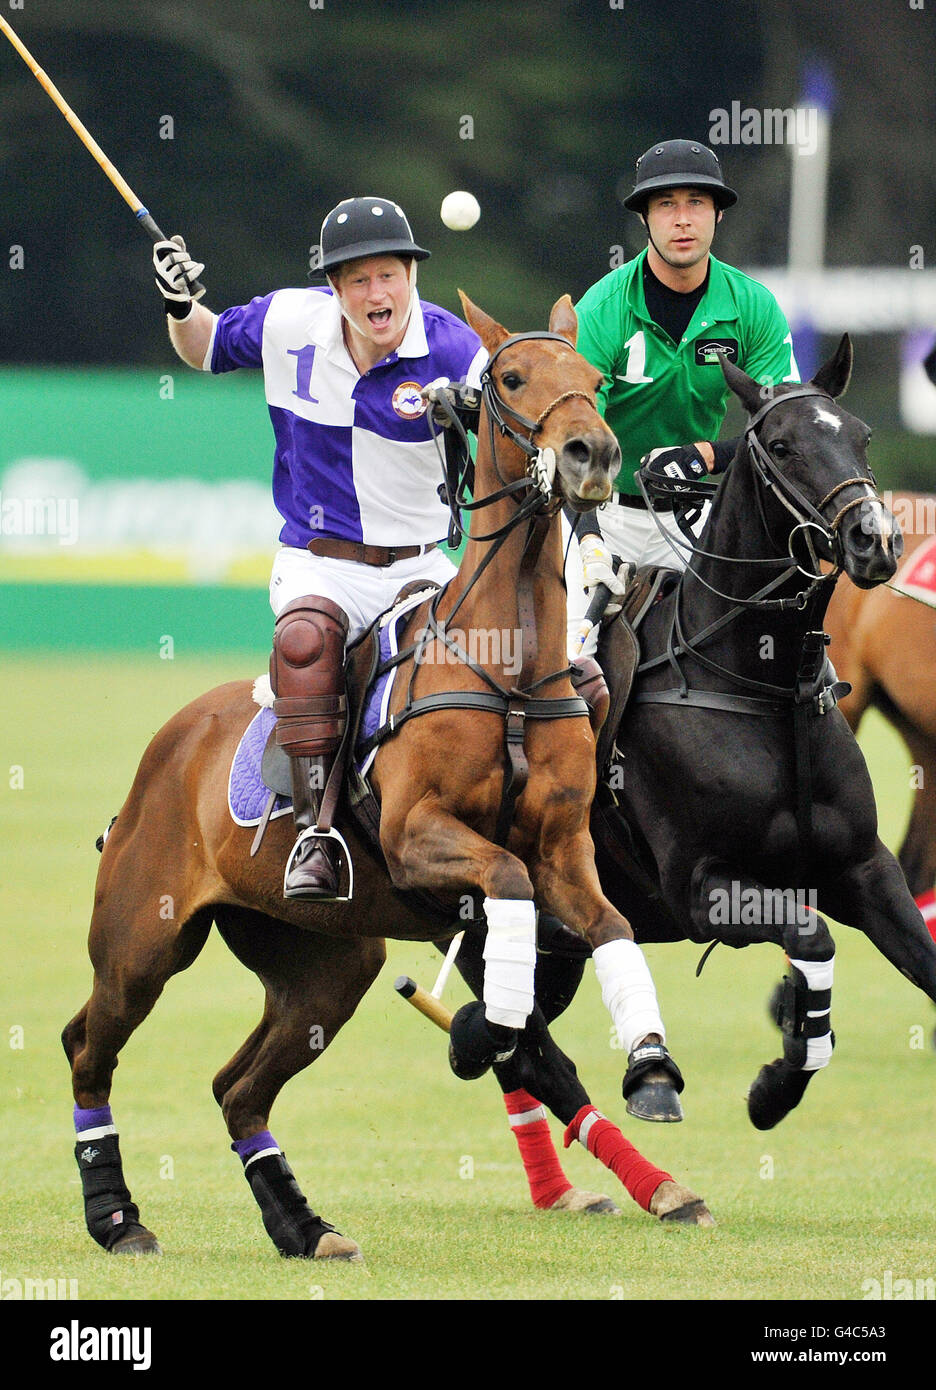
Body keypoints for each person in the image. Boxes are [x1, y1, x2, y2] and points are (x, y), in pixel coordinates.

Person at [153, 197, 487, 899]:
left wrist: (481, 411)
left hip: (423, 567)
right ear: (334, 288)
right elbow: (206, 347)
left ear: (411, 277)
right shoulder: (287, 322)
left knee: (500, 658)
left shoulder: (455, 348)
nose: (378, 293)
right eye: (359, 280)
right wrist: (182, 304)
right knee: (305, 641)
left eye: (391, 275)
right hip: (321, 562)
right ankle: (316, 834)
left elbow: (524, 421)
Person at [567, 139, 800, 653]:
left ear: (718, 214)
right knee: (571, 667)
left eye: (696, 202)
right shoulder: (603, 309)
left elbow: (786, 428)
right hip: (600, 516)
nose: (682, 219)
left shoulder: (753, 307)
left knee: (760, 660)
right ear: (645, 219)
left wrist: (706, 455)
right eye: (666, 204)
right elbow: (573, 435)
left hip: (700, 518)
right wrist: (587, 535)